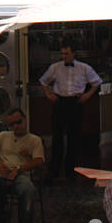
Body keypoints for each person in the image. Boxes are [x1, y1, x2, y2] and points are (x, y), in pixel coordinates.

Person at [40, 41, 101, 182]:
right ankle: (54, 170)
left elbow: (97, 82)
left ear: (74, 53)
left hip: (75, 102)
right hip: (60, 102)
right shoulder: (55, 67)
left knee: (74, 137)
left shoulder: (84, 68)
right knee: (57, 137)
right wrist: (49, 94)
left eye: (66, 53)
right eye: (62, 53)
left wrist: (87, 95)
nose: (64, 56)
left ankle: (71, 170)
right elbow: (43, 81)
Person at [0, 108, 44, 223]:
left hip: (21, 175)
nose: (15, 127)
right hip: (2, 174)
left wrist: (19, 170)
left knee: (28, 190)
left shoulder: (34, 140)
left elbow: (38, 160)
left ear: (25, 120)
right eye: (11, 125)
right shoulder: (2, 137)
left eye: (18, 122)